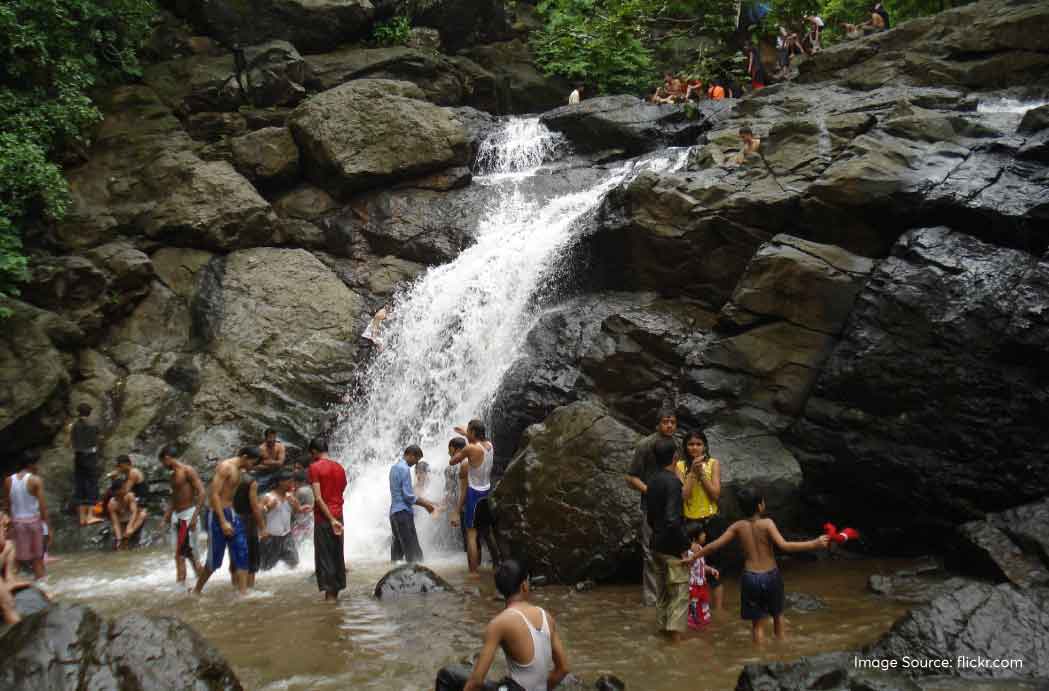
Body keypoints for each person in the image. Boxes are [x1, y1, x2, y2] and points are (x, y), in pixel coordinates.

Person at [691, 487, 831, 644]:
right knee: (778, 616)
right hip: (771, 575)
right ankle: (781, 650)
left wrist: (693, 557)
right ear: (760, 506)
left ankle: (760, 655)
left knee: (757, 625)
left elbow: (714, 545)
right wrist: (814, 543)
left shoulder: (738, 526)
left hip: (750, 577)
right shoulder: (767, 523)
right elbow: (785, 546)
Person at [463, 560, 570, 691]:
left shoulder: (499, 623)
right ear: (524, 585)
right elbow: (563, 668)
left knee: (449, 675)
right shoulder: (546, 616)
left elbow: (476, 681)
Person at [625, 408, 679, 607]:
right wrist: (651, 491)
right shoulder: (645, 445)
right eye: (665, 422)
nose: (669, 426)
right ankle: (652, 600)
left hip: (674, 504)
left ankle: (672, 595)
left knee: (674, 550)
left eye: (673, 422)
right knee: (650, 552)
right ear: (658, 424)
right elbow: (631, 476)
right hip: (651, 507)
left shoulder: (678, 444)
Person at [193, 446, 261, 596]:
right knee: (214, 559)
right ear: (245, 457)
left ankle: (243, 593)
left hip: (232, 513)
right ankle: (197, 590)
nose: (253, 466)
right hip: (217, 516)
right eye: (253, 462)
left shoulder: (239, 470)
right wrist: (223, 521)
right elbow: (214, 495)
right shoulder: (226, 467)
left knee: (242, 552)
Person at [645, 438, 690, 643]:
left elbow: (650, 516)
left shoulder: (652, 481)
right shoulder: (673, 482)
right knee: (679, 594)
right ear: (675, 457)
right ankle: (676, 644)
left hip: (656, 543)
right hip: (672, 547)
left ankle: (662, 637)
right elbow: (673, 519)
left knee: (663, 593)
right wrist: (684, 545)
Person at [676, 429, 724, 609]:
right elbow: (684, 496)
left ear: (705, 446)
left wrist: (702, 473)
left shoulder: (713, 463)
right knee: (691, 566)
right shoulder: (680, 466)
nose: (695, 448)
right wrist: (692, 473)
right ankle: (694, 609)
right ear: (685, 447)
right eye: (691, 444)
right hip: (689, 523)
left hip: (711, 520)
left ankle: (718, 611)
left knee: (715, 566)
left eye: (698, 444)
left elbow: (715, 494)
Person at [449, 420, 495, 576]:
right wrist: (466, 434)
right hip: (486, 493)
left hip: (474, 495)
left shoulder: (470, 449)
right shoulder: (489, 445)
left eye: (469, 431)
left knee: (471, 535)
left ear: (474, 433)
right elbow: (477, 445)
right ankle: (497, 563)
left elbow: (452, 461)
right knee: (487, 531)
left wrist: (457, 451)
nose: (466, 432)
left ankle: (473, 572)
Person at [308, 437, 347, 602]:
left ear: (314, 452)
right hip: (339, 515)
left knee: (325, 558)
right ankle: (335, 599)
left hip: (324, 518)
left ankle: (330, 605)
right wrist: (335, 517)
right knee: (337, 555)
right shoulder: (340, 467)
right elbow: (341, 489)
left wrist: (330, 519)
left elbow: (318, 498)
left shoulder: (314, 467)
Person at [160, 446, 205, 587]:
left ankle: (183, 589)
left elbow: (202, 493)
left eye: (162, 462)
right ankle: (196, 587)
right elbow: (174, 498)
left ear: (167, 458)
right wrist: (166, 517)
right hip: (177, 517)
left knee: (182, 555)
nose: (163, 465)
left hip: (188, 516)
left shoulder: (187, 471)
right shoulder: (172, 476)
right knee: (186, 555)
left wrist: (194, 517)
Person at [4, 455, 50, 580]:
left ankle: (11, 581)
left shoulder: (8, 480)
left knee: (16, 558)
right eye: (36, 464)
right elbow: (43, 507)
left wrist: (9, 526)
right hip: (34, 523)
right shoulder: (35, 480)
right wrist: (48, 528)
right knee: (37, 559)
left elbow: (8, 505)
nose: (38, 467)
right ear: (30, 465)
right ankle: (41, 583)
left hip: (17, 524)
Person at [389, 445, 437, 563]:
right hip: (403, 514)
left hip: (394, 513)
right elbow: (408, 496)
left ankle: (394, 573)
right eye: (416, 459)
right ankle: (416, 574)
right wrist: (427, 505)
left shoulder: (394, 468)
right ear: (410, 455)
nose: (416, 463)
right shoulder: (405, 469)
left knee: (397, 553)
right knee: (414, 554)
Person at [67, 403, 103, 526]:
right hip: (90, 456)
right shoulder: (93, 425)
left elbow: (69, 443)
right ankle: (90, 516)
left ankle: (81, 518)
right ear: (90, 413)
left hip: (78, 456)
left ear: (78, 412)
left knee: (80, 484)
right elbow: (99, 439)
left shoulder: (73, 426)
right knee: (92, 484)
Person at [260, 472, 304, 570]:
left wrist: (299, 508)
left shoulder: (290, 497)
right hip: (270, 537)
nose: (292, 484)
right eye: (290, 482)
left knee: (294, 564)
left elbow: (297, 511)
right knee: (266, 569)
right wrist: (267, 507)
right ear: (281, 482)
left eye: (293, 482)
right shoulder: (268, 497)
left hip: (287, 536)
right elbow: (258, 513)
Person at [232, 469, 267, 588]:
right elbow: (254, 507)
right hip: (248, 522)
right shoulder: (250, 481)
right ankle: (249, 590)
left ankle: (236, 588)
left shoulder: (229, 478)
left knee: (236, 559)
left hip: (232, 520)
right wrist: (262, 528)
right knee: (252, 560)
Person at [684, 522, 719, 629]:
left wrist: (711, 570)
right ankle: (694, 629)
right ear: (695, 537)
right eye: (702, 533)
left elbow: (701, 566)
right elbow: (686, 567)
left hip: (702, 585)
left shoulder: (700, 548)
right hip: (693, 587)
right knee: (693, 612)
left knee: (703, 610)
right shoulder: (688, 552)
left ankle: (701, 628)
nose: (705, 535)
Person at [106, 479, 147, 550]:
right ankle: (125, 539)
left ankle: (129, 534)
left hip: (133, 520)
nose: (125, 489)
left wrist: (130, 527)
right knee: (121, 540)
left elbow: (134, 512)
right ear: (116, 491)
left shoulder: (130, 496)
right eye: (123, 488)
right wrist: (119, 539)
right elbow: (115, 523)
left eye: (125, 488)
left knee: (143, 514)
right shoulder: (111, 504)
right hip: (122, 521)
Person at [291, 471, 314, 544]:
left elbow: (294, 507)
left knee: (298, 542)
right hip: (309, 519)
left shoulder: (300, 491)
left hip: (301, 520)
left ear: (296, 482)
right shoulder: (309, 488)